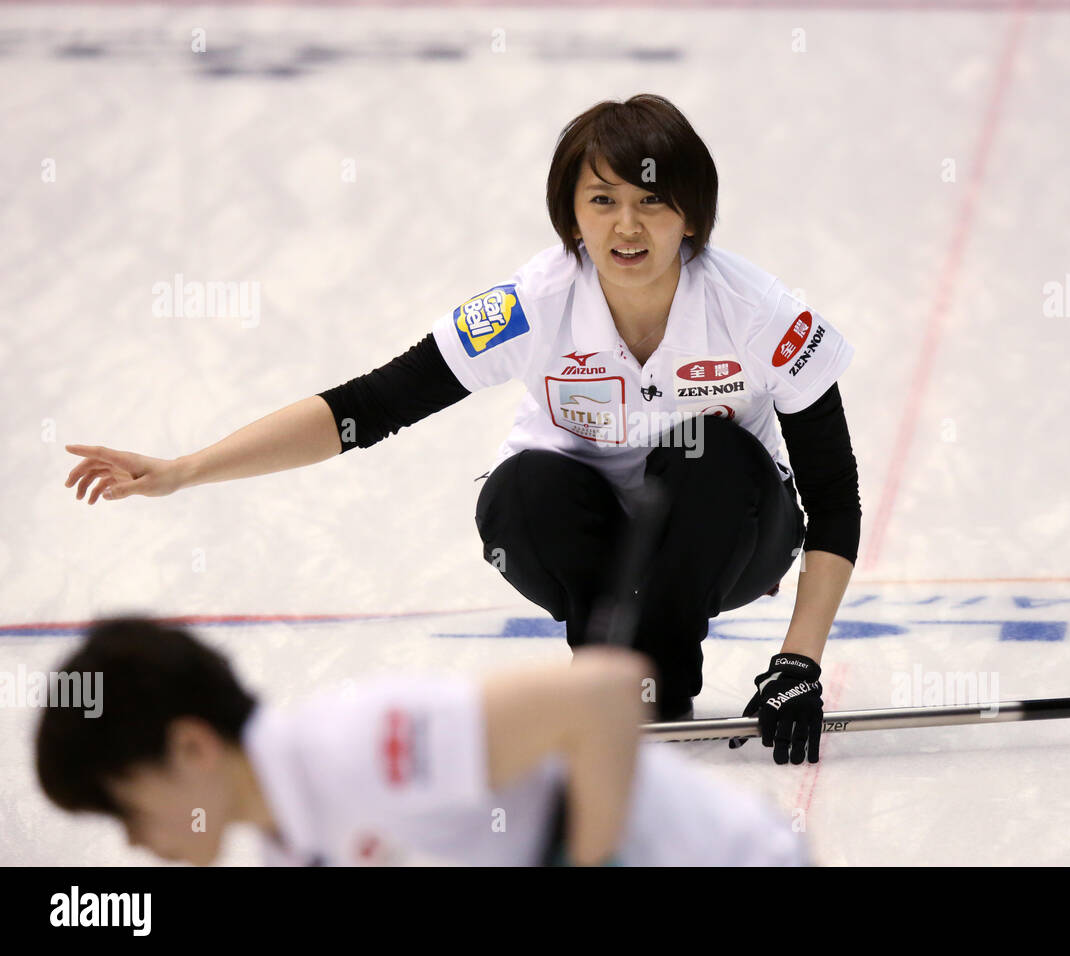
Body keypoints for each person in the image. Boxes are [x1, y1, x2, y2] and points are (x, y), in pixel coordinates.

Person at [62, 93, 861, 765]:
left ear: (692, 215)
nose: (628, 226)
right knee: (527, 483)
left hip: (731, 538)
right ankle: (614, 680)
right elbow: (366, 407)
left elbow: (834, 497)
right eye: (603, 200)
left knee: (707, 452)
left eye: (653, 200)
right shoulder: (530, 304)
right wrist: (184, 469)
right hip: (572, 536)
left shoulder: (762, 316)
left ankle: (655, 674)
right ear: (570, 216)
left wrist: (799, 660)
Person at [35, 616, 809, 866]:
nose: (136, 841)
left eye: (123, 808)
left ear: (192, 748)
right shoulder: (289, 839)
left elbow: (604, 691)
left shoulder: (358, 747)